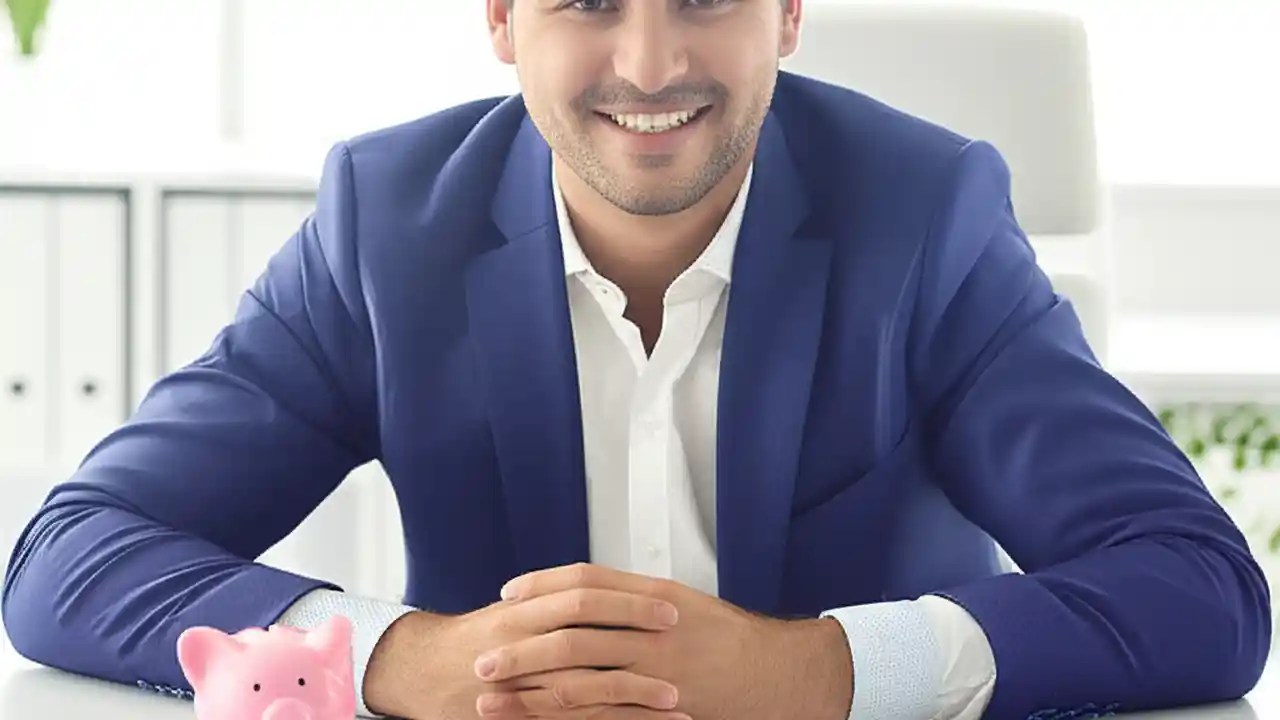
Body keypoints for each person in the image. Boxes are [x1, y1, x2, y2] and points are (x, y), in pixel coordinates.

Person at [2, 1, 1271, 718]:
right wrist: (404, 660)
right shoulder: (387, 225)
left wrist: (813, 669)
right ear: (500, 19)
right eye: (590, 4)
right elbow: (71, 555)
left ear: (785, 12)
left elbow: (1198, 591)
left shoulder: (923, 216)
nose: (651, 65)